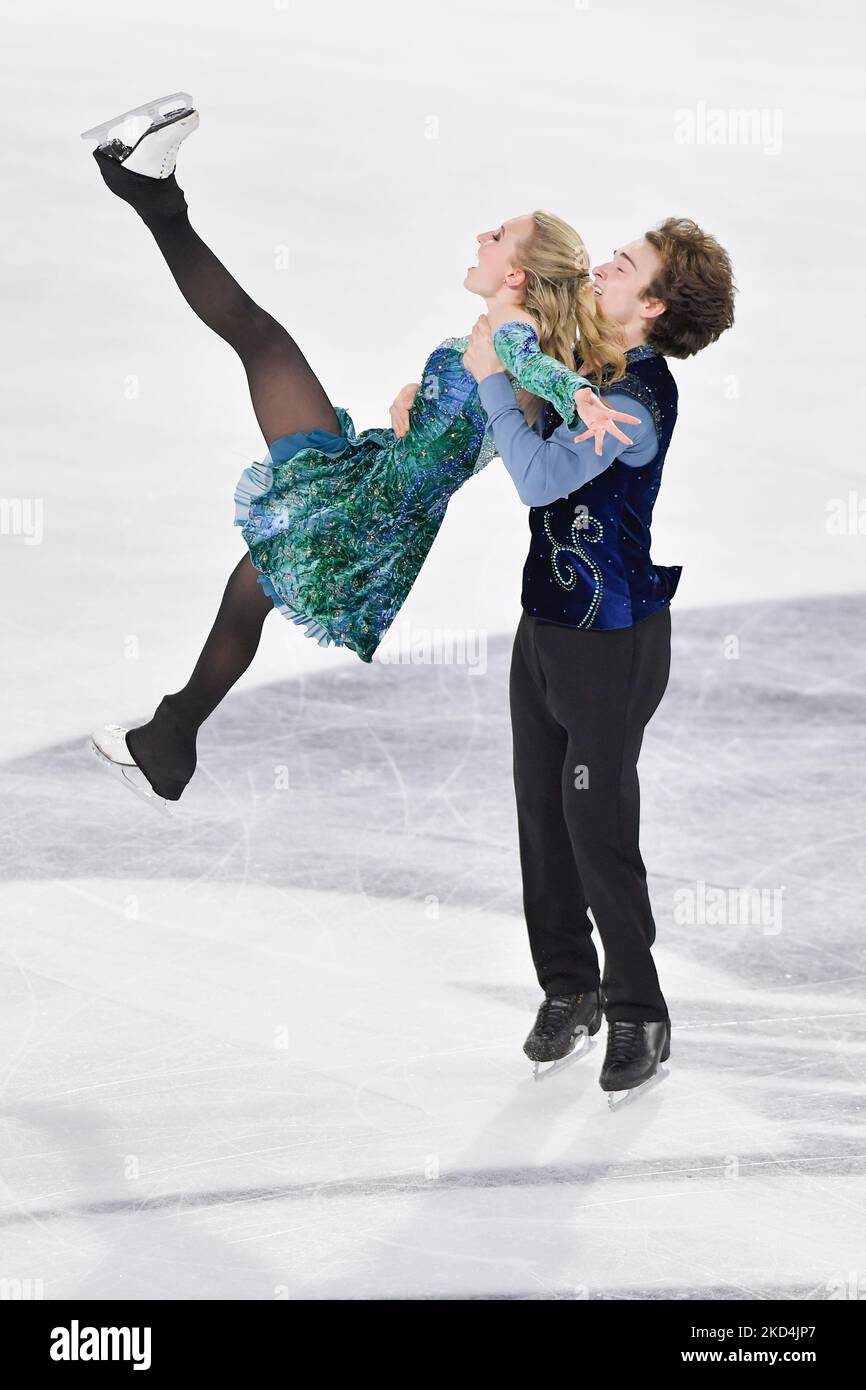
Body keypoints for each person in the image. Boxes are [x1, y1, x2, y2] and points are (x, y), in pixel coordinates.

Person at [81, 95, 637, 807]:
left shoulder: (512, 334)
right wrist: (421, 393)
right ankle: (171, 737)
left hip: (377, 505)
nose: (481, 236)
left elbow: (529, 372)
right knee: (261, 351)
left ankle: (172, 737)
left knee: (260, 560)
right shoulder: (504, 326)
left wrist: (576, 394)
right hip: (382, 472)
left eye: (498, 236)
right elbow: (482, 408)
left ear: (520, 276)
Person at [459, 219, 736, 1102]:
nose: (606, 262)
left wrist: (495, 385)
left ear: (650, 307)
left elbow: (540, 476)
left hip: (611, 642)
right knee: (542, 817)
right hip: (544, 623)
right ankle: (569, 989)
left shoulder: (639, 402)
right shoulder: (584, 353)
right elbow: (505, 341)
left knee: (597, 827)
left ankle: (638, 1011)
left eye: (627, 265)